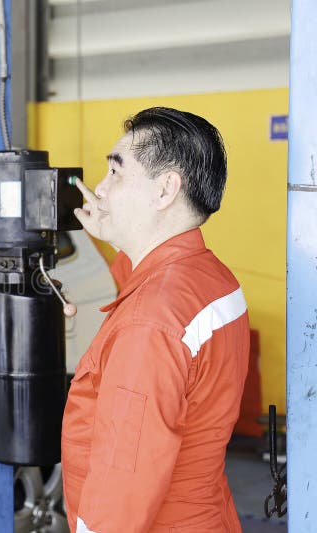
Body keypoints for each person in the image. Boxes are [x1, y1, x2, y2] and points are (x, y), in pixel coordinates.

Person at [62, 107, 250, 532]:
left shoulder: (150, 321)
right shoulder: (209, 277)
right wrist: (119, 239)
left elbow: (122, 483)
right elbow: (155, 283)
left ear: (165, 190)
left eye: (116, 173)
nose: (99, 190)